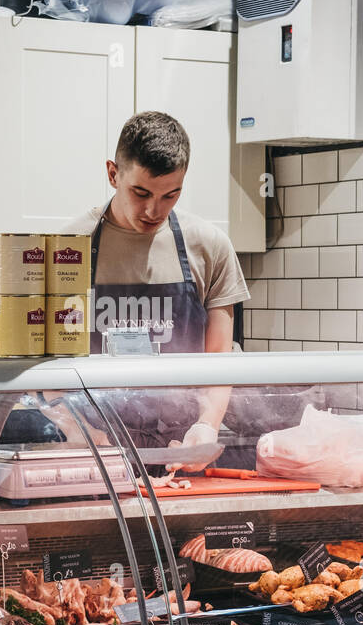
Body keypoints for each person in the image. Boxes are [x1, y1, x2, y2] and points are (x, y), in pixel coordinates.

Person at [56, 111, 251, 465]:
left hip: (182, 451)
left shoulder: (210, 247)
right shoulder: (67, 248)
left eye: (170, 195)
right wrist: (73, 426)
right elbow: (44, 364)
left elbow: (220, 358)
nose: (153, 210)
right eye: (140, 192)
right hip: (90, 449)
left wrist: (207, 427)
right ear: (113, 174)